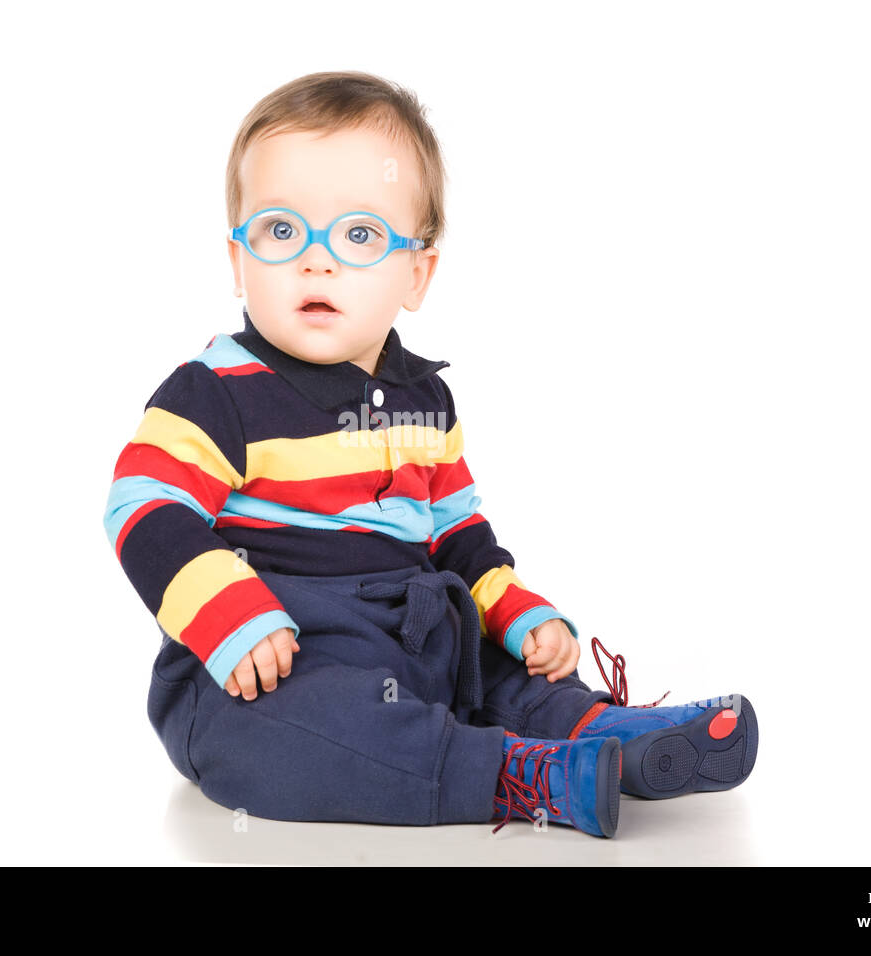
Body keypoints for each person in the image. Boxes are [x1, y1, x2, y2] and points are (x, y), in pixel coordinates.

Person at [103, 71, 756, 838]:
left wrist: (512, 610)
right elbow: (144, 505)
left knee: (502, 667)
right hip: (271, 657)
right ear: (237, 257)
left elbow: (455, 532)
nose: (317, 262)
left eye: (359, 235)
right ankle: (519, 775)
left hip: (415, 639)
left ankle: (593, 731)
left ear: (417, 273)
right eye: (281, 231)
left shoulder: (425, 399)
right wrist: (228, 614)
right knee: (300, 731)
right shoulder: (215, 391)